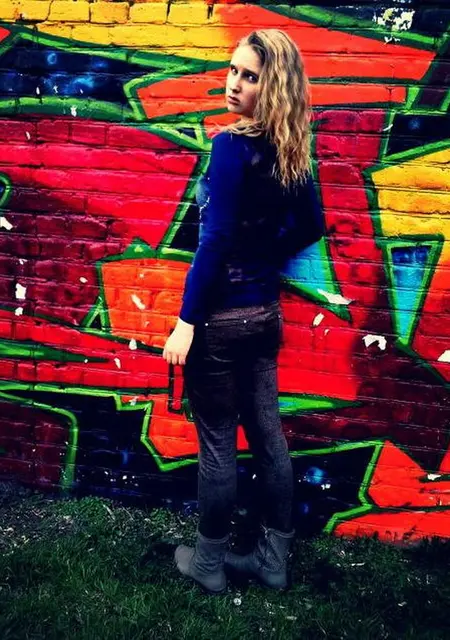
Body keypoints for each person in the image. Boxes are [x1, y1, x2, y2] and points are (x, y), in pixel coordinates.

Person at [163, 29, 324, 594]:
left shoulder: (231, 147)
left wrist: (186, 321)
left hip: (221, 322)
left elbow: (214, 240)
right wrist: (265, 254)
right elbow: (310, 224)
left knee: (217, 445)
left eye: (249, 76)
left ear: (272, 85)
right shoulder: (292, 146)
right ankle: (272, 561)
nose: (234, 84)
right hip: (264, 315)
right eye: (233, 70)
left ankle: (208, 564)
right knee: (268, 437)